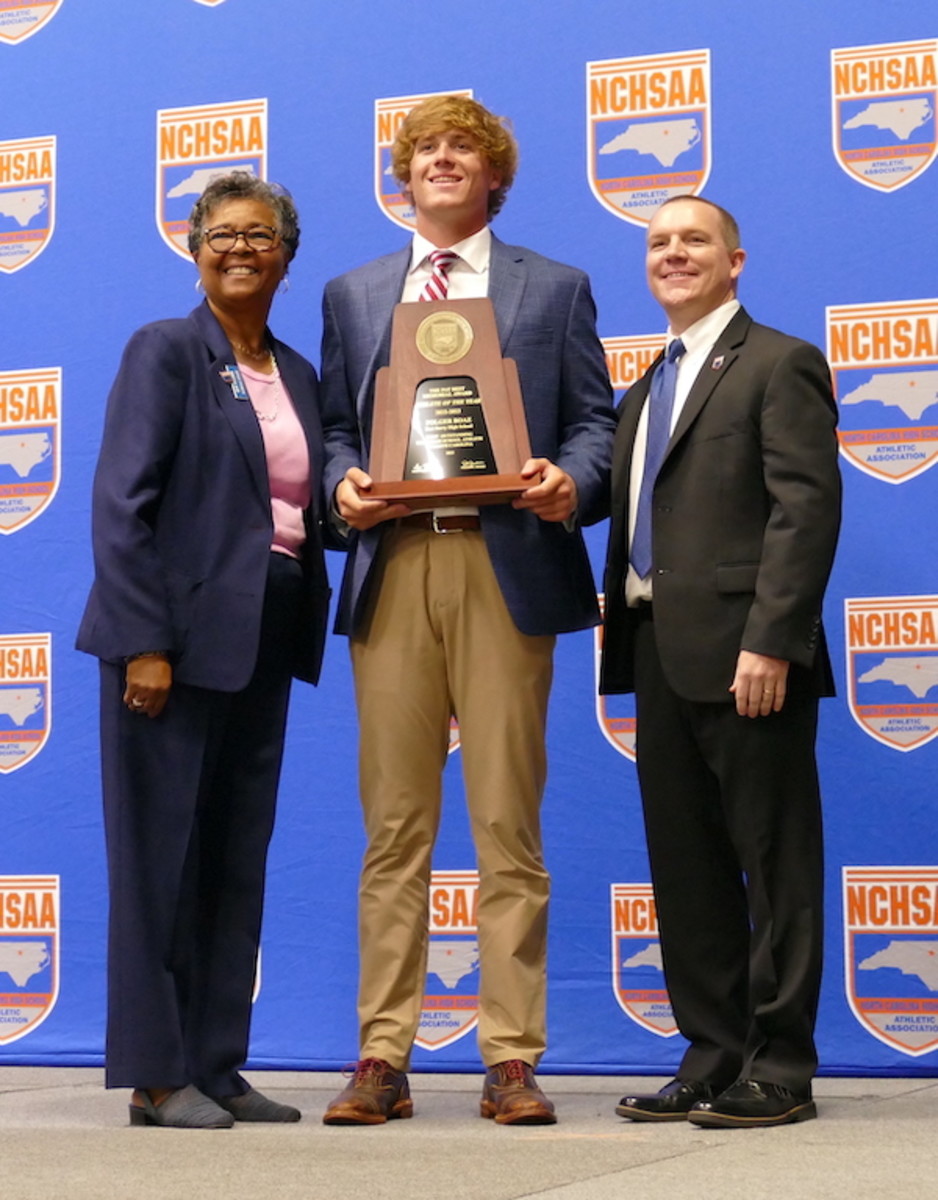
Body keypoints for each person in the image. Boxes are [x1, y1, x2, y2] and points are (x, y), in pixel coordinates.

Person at [319, 95, 615, 1126]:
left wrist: (570, 482)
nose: (441, 160)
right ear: (402, 177)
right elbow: (333, 429)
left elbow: (594, 424)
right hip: (395, 562)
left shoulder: (555, 286)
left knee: (505, 820)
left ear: (495, 176)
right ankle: (382, 1055)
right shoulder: (354, 293)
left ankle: (511, 1057)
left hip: (508, 562)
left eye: (462, 148)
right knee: (394, 824)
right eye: (424, 150)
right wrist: (343, 483)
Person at [76, 173, 332, 1129]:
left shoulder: (297, 373)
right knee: (159, 862)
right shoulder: (167, 351)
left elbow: (303, 504)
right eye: (220, 235)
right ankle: (154, 1073)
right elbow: (121, 506)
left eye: (259, 235)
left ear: (286, 257)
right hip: (170, 646)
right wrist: (146, 641)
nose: (239, 249)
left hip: (265, 634)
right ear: (195, 254)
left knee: (233, 856)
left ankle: (217, 1063)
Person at [600, 195, 841, 1128]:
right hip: (656, 648)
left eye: (694, 240)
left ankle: (780, 1068)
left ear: (734, 261)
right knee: (687, 866)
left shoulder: (781, 362)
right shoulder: (641, 389)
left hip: (750, 655)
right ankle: (712, 1055)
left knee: (774, 864)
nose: (674, 253)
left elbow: (805, 511)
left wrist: (772, 639)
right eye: (658, 243)